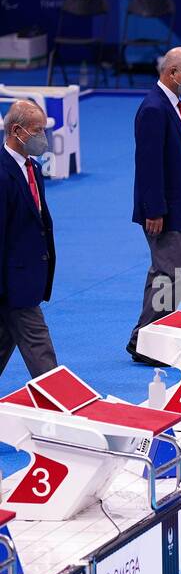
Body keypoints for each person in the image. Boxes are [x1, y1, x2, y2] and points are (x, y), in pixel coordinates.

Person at [127, 47, 181, 366]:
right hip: (165, 210)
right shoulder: (154, 109)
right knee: (170, 275)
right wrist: (154, 210)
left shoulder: (172, 105)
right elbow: (149, 165)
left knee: (172, 273)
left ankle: (146, 336)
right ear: (173, 73)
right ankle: (146, 340)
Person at [0, 100, 58, 379]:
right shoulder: (1, 175)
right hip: (13, 283)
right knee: (41, 351)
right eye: (38, 131)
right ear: (16, 130)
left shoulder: (32, 168)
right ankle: (56, 404)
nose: (43, 138)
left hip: (27, 275)